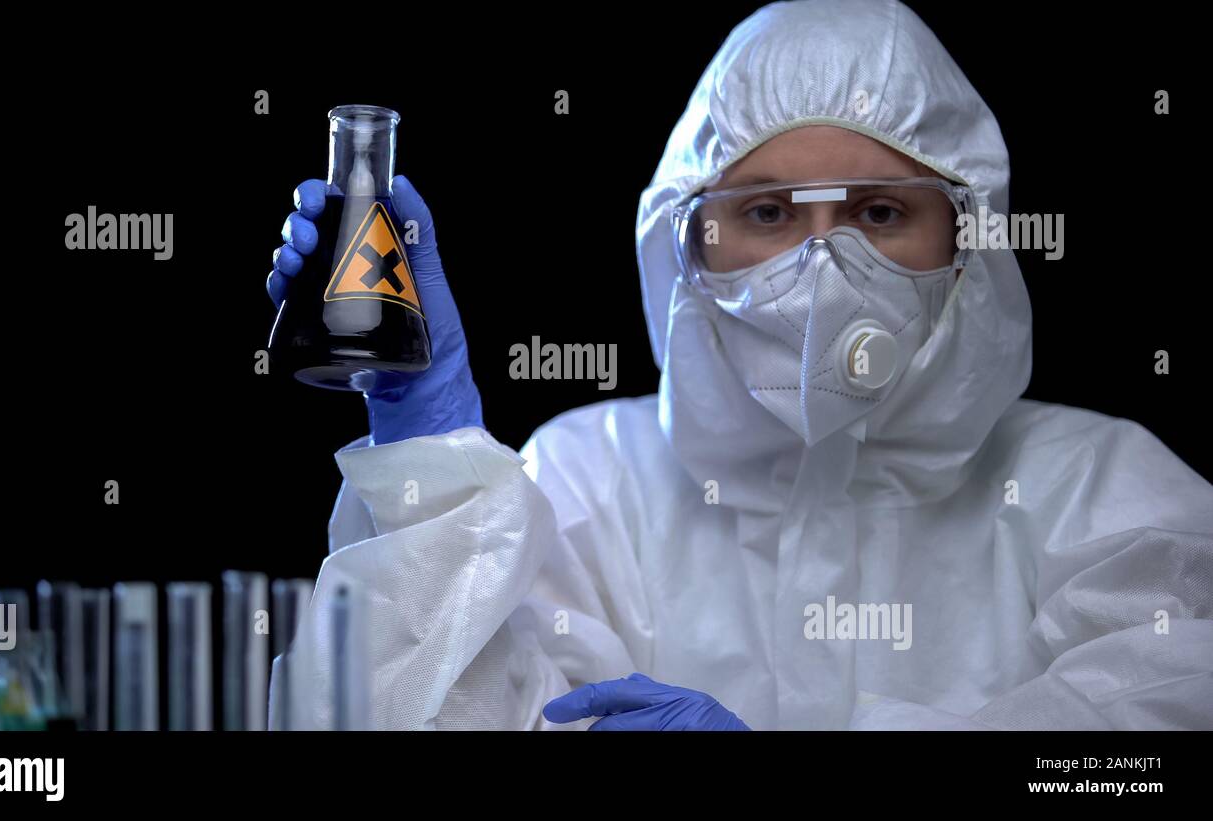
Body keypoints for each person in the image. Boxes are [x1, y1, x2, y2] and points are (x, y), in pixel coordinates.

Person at [266, 0, 1213, 730]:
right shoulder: (591, 483)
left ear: (969, 239)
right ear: (685, 245)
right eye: (768, 214)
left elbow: (1122, 770)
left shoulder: (1096, 489)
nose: (825, 263)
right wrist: (432, 468)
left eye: (879, 212)